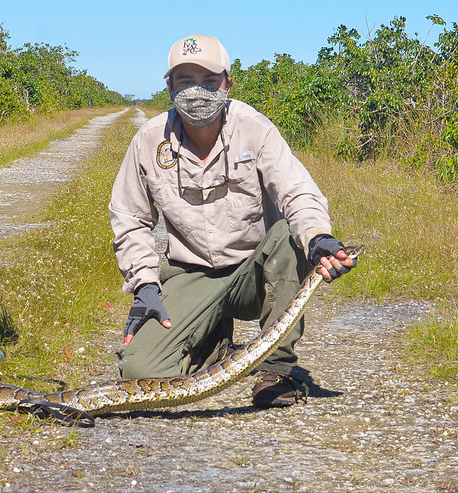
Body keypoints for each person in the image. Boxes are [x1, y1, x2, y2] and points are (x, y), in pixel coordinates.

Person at [109, 35, 356, 408]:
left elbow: (297, 192)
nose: (197, 92)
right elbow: (130, 217)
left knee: (290, 236)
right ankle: (212, 338)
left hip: (255, 270)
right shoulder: (148, 141)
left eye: (209, 82)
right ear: (169, 86)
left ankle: (276, 368)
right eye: (185, 81)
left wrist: (318, 238)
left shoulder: (254, 129)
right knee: (140, 377)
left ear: (228, 83)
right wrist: (144, 284)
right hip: (191, 273)